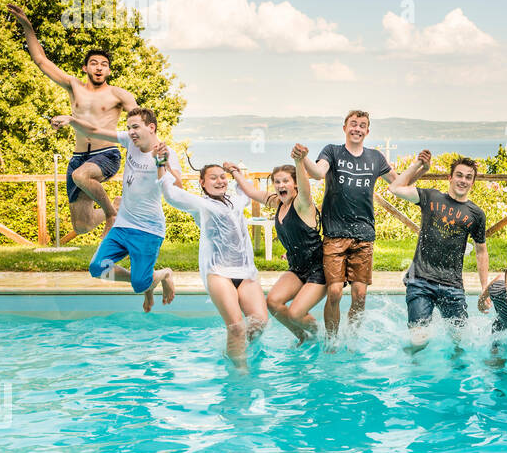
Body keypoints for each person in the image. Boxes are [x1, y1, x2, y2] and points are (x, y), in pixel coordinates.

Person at [9, 3, 138, 237]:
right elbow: (40, 60)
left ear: (109, 71)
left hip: (107, 154)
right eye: (94, 63)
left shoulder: (119, 94)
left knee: (82, 176)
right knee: (82, 225)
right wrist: (27, 26)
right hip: (78, 156)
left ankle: (111, 213)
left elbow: (141, 121)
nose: (99, 68)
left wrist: (147, 150)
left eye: (104, 65)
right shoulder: (73, 86)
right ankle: (117, 206)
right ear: (85, 67)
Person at [299, 110, 425, 337]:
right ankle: (332, 340)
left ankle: (352, 339)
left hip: (364, 234)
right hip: (335, 233)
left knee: (360, 295)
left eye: (362, 125)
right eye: (353, 124)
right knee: (335, 292)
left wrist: (419, 166)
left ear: (367, 131)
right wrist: (303, 159)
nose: (357, 128)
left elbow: (399, 184)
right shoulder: (332, 151)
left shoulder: (375, 158)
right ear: (345, 128)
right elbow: (318, 173)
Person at [155, 150, 268, 364]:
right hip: (219, 273)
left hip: (245, 272)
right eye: (213, 178)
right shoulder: (200, 205)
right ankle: (239, 375)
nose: (219, 181)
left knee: (260, 322)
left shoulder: (236, 201)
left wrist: (235, 172)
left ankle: (236, 351)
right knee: (236, 327)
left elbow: (245, 192)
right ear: (202, 183)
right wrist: (161, 161)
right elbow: (170, 194)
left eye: (221, 177)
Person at [62, 107, 177, 311]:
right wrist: (72, 121)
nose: (131, 132)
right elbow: (94, 130)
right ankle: (148, 281)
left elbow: (177, 188)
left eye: (135, 127)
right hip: (123, 224)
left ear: (151, 127)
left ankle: (163, 274)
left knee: (139, 285)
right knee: (98, 268)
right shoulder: (130, 142)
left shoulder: (165, 153)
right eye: (128, 127)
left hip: (148, 230)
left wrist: (162, 163)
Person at [222, 145, 325, 343]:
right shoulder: (277, 203)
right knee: (273, 302)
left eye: (286, 181)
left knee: (295, 313)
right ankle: (303, 337)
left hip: (319, 269)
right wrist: (235, 172)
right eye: (277, 182)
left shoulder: (302, 204)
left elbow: (306, 188)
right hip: (297, 268)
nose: (280, 185)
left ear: (294, 184)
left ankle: (322, 336)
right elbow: (251, 192)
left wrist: (299, 161)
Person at [388, 152, 490, 351]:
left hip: (452, 286)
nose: (463, 180)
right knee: (419, 341)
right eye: (459, 175)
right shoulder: (431, 196)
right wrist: (419, 164)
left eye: (468, 177)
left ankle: (455, 374)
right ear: (450, 177)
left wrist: (484, 288)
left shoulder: (476, 214)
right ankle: (413, 370)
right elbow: (395, 187)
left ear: (473, 182)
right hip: (420, 281)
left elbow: (481, 252)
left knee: (461, 343)